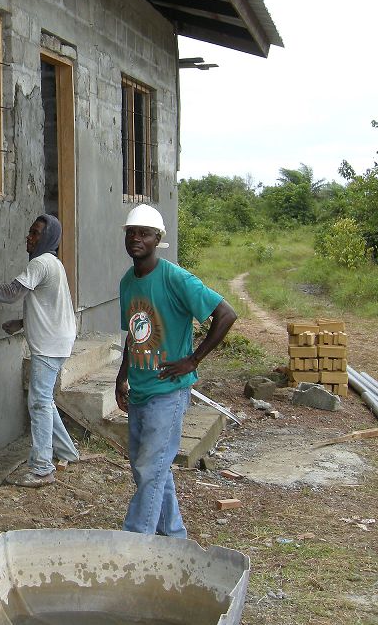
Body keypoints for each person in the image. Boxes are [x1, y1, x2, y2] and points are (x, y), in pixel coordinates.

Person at [115, 204, 237, 537]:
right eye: (131, 233)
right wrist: (121, 377)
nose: (136, 239)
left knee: (150, 469)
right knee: (149, 472)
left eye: (144, 233)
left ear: (158, 239)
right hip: (140, 390)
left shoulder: (175, 278)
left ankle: (134, 544)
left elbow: (225, 314)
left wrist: (193, 359)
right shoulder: (128, 283)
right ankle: (173, 536)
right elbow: (133, 333)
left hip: (168, 392)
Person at [0, 214, 79, 487]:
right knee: (44, 400)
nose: (29, 237)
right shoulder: (54, 264)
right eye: (30, 232)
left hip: (49, 346)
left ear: (47, 238)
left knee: (38, 402)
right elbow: (51, 307)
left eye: (35, 233)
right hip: (58, 340)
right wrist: (23, 322)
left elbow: (10, 292)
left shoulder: (40, 263)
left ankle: (42, 468)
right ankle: (66, 451)